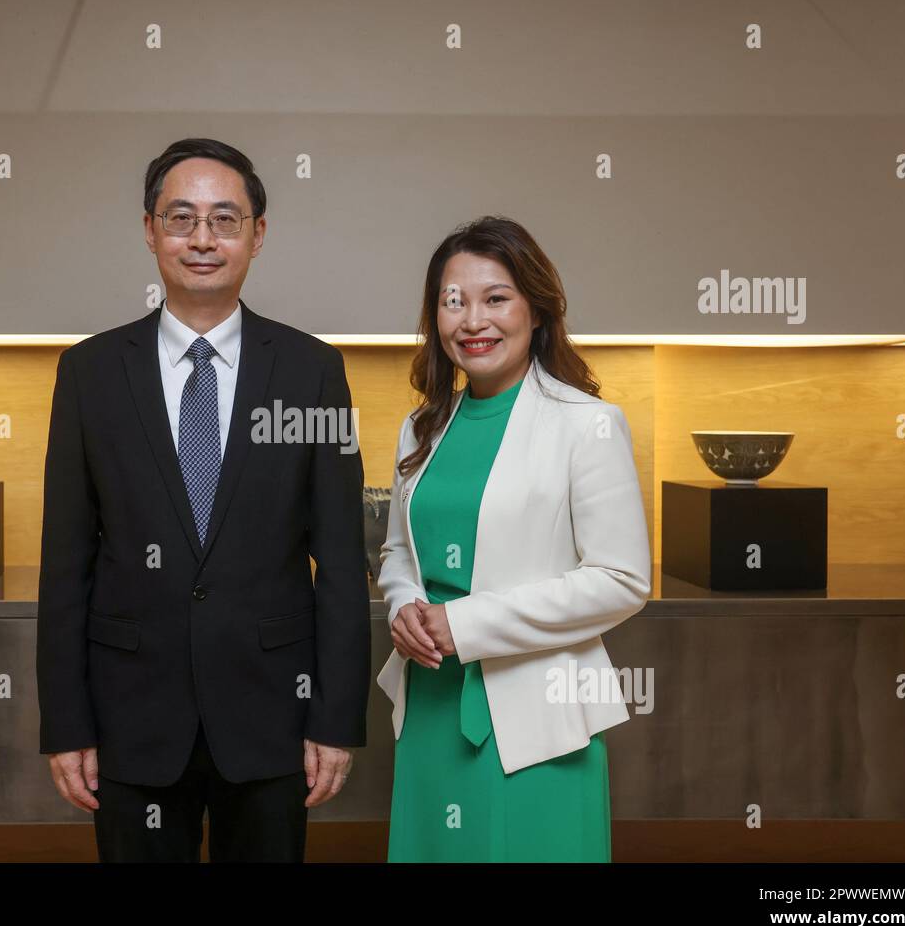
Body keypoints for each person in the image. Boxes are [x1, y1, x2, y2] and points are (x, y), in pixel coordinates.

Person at [36, 138, 370, 862]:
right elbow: (65, 563)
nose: (202, 239)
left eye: (225, 218)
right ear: (150, 229)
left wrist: (336, 717)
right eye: (181, 217)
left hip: (274, 715)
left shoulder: (313, 372)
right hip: (130, 718)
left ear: (258, 234)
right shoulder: (89, 373)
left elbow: (341, 560)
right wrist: (66, 723)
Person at [376, 216, 651, 862]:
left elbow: (622, 579)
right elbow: (396, 552)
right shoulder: (420, 431)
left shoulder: (589, 426)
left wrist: (464, 624)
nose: (472, 320)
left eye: (495, 299)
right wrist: (402, 606)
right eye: (453, 302)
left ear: (537, 309)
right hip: (430, 711)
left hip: (537, 725)